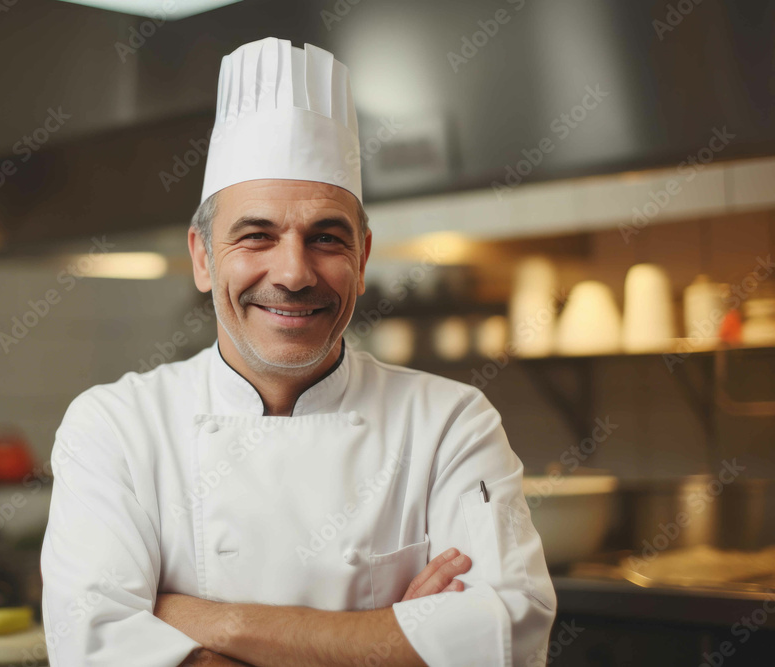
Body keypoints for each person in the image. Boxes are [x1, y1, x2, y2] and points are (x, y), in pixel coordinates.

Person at [40, 37, 556, 666]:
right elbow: (95, 651)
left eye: (326, 238)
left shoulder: (451, 422)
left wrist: (214, 623)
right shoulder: (115, 427)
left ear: (362, 260)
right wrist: (394, 640)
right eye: (257, 235)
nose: (293, 273)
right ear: (202, 258)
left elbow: (509, 637)